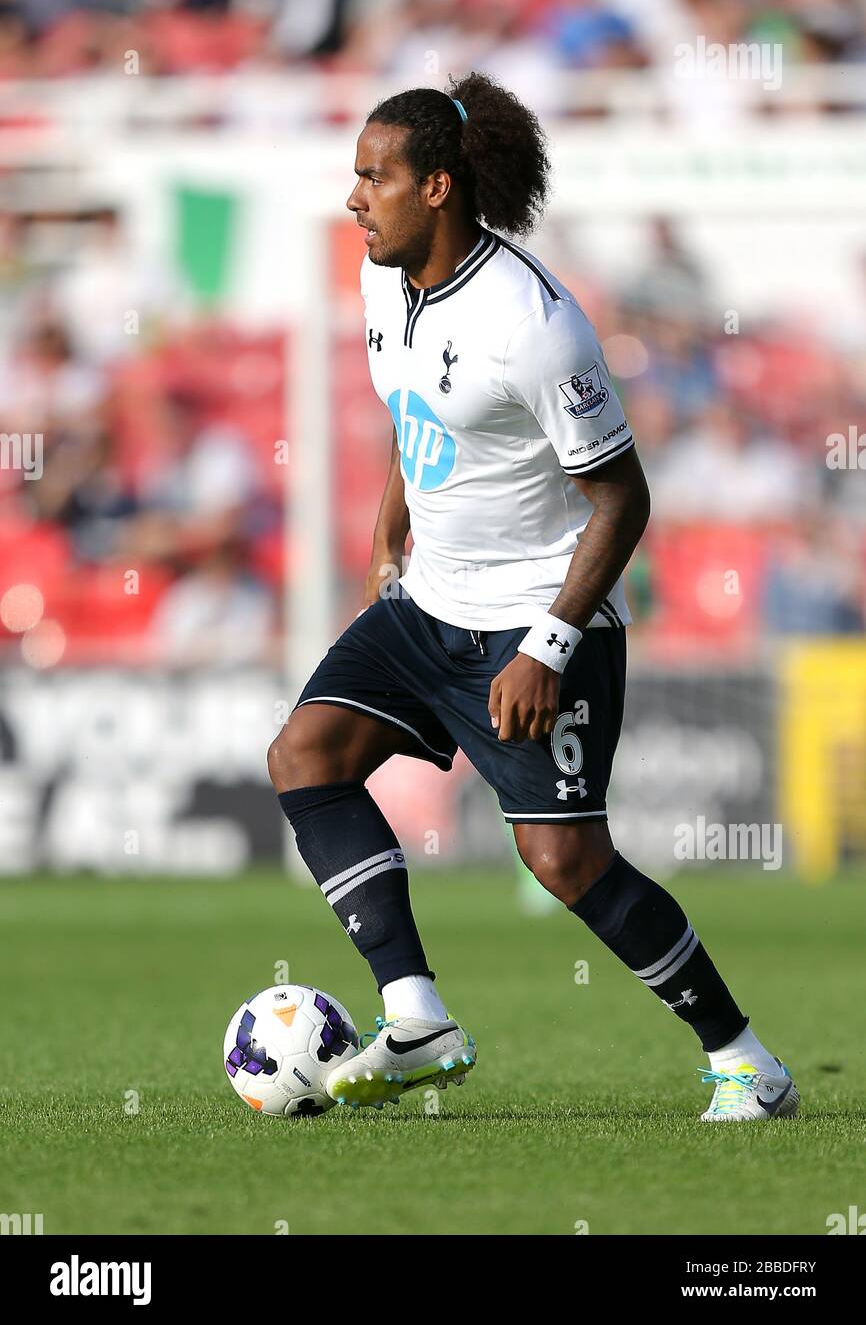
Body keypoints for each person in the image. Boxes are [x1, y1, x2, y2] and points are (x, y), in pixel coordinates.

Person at [267, 72, 798, 1122]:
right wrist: (389, 525)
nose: (352, 197)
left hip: (536, 618)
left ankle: (746, 1060)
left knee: (561, 859)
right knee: (305, 758)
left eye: (372, 176)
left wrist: (546, 645)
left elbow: (622, 497)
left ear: (438, 186)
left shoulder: (534, 322)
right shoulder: (383, 281)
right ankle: (417, 1015)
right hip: (428, 605)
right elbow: (412, 406)